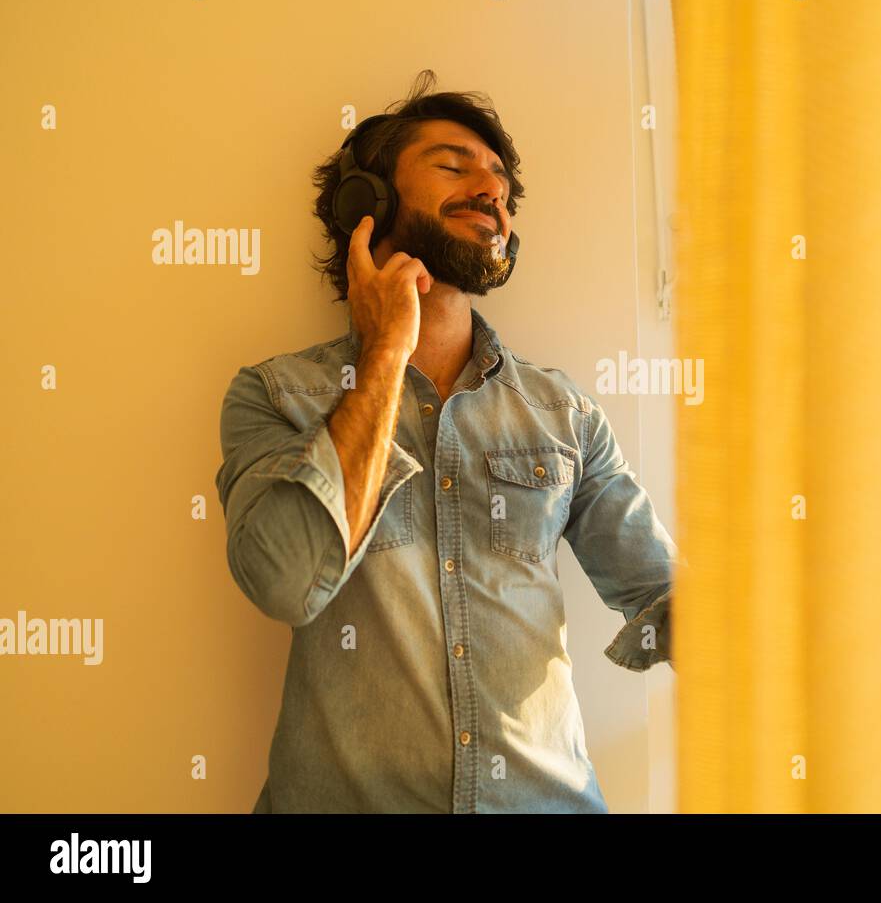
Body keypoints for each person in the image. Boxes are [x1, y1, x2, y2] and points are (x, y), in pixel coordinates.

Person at [214, 71, 679, 813]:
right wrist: (382, 362)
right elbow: (285, 580)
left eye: (500, 181)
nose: (491, 192)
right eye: (454, 165)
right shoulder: (275, 396)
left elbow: (663, 598)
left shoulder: (565, 413)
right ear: (366, 201)